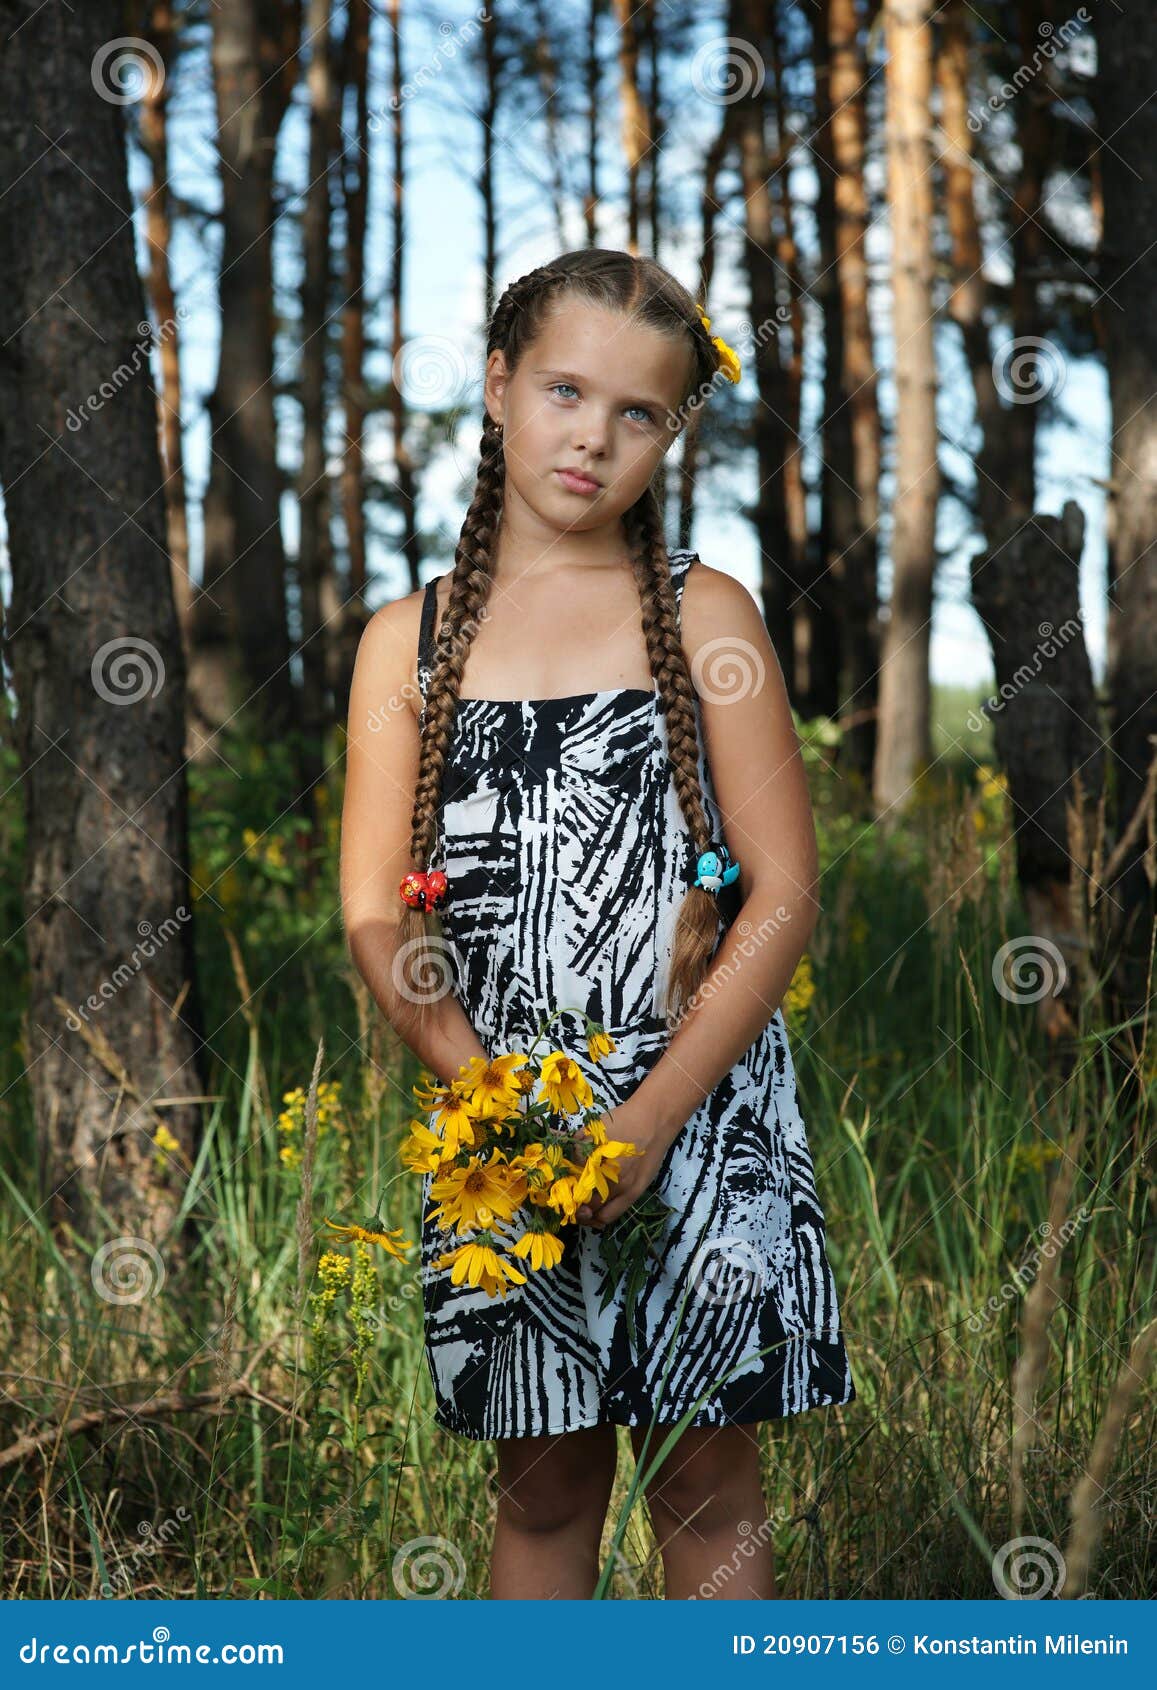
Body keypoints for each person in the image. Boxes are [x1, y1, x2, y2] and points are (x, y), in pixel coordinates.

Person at [340, 248, 854, 1600]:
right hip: (502, 1128)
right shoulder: (409, 641)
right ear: (500, 386)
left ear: (670, 436)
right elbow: (366, 908)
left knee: (705, 1485)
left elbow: (783, 893)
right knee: (544, 1484)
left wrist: (646, 1117)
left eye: (639, 412)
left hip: (700, 1121)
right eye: (565, 389)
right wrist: (497, 1108)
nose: (593, 435)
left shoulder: (705, 613)